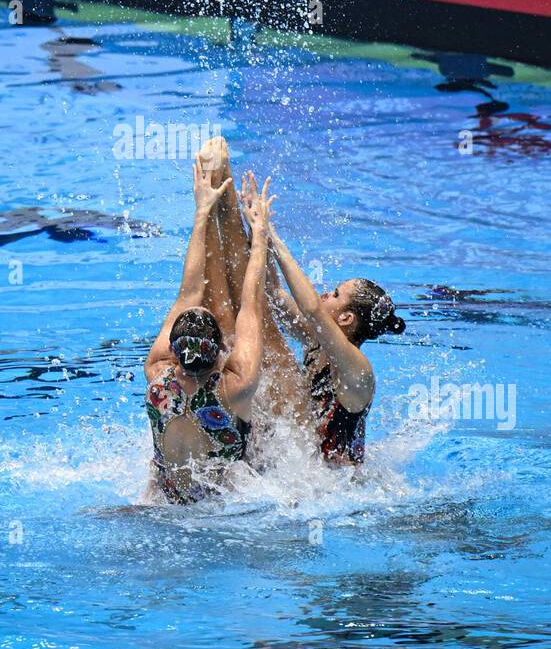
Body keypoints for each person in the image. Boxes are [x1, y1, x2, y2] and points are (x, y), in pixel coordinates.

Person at [200, 139, 405, 466]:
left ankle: (216, 200)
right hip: (299, 453)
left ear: (347, 319)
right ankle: (221, 200)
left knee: (261, 342)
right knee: (259, 329)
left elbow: (309, 307)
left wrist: (273, 238)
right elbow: (274, 294)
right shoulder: (315, 342)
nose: (326, 294)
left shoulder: (357, 372)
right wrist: (255, 227)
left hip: (330, 486)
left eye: (336, 295)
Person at [143, 153, 275, 503]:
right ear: (221, 351)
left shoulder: (157, 374)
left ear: (172, 351)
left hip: (163, 503)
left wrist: (201, 211)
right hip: (225, 508)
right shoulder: (238, 384)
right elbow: (251, 305)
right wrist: (259, 236)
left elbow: (189, 292)